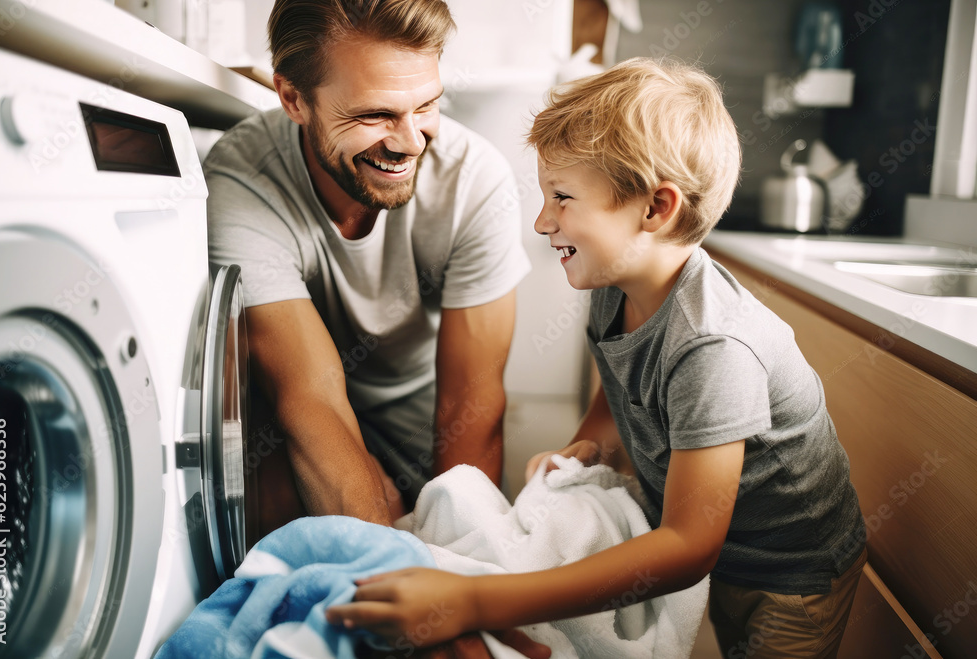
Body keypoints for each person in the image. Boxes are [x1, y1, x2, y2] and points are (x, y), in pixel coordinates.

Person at [325, 57, 868, 659]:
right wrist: (585, 442)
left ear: (655, 210)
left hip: (793, 575)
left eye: (562, 197)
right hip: (728, 555)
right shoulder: (614, 287)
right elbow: (620, 388)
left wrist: (473, 600)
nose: (541, 220)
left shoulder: (714, 348)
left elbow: (689, 547)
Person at [204, 0, 531, 530]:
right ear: (293, 98)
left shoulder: (475, 181)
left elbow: (471, 407)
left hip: (426, 426)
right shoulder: (244, 182)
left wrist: (456, 579)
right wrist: (386, 574)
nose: (409, 142)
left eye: (426, 105)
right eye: (376, 115)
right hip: (300, 422)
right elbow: (311, 402)